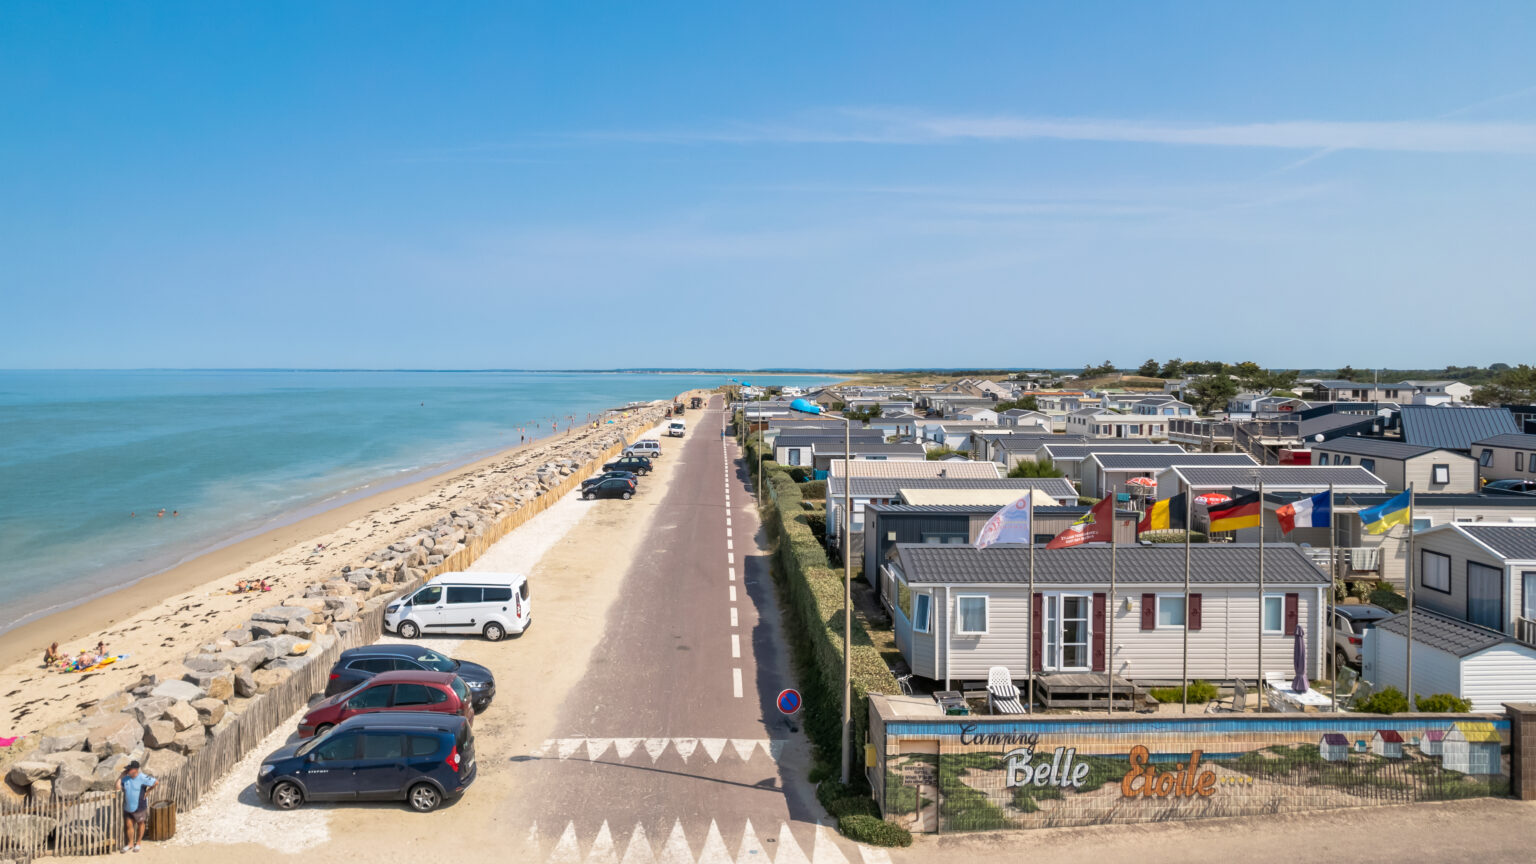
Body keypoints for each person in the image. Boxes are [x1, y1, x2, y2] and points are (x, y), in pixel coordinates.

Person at [118, 760, 156, 852]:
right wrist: (120, 776)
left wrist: (148, 791)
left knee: (140, 824)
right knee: (128, 825)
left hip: (140, 806)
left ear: (135, 770)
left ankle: (138, 843)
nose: (127, 771)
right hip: (128, 807)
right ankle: (130, 844)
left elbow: (156, 782)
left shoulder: (143, 777)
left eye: (129, 769)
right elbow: (117, 788)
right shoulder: (125, 779)